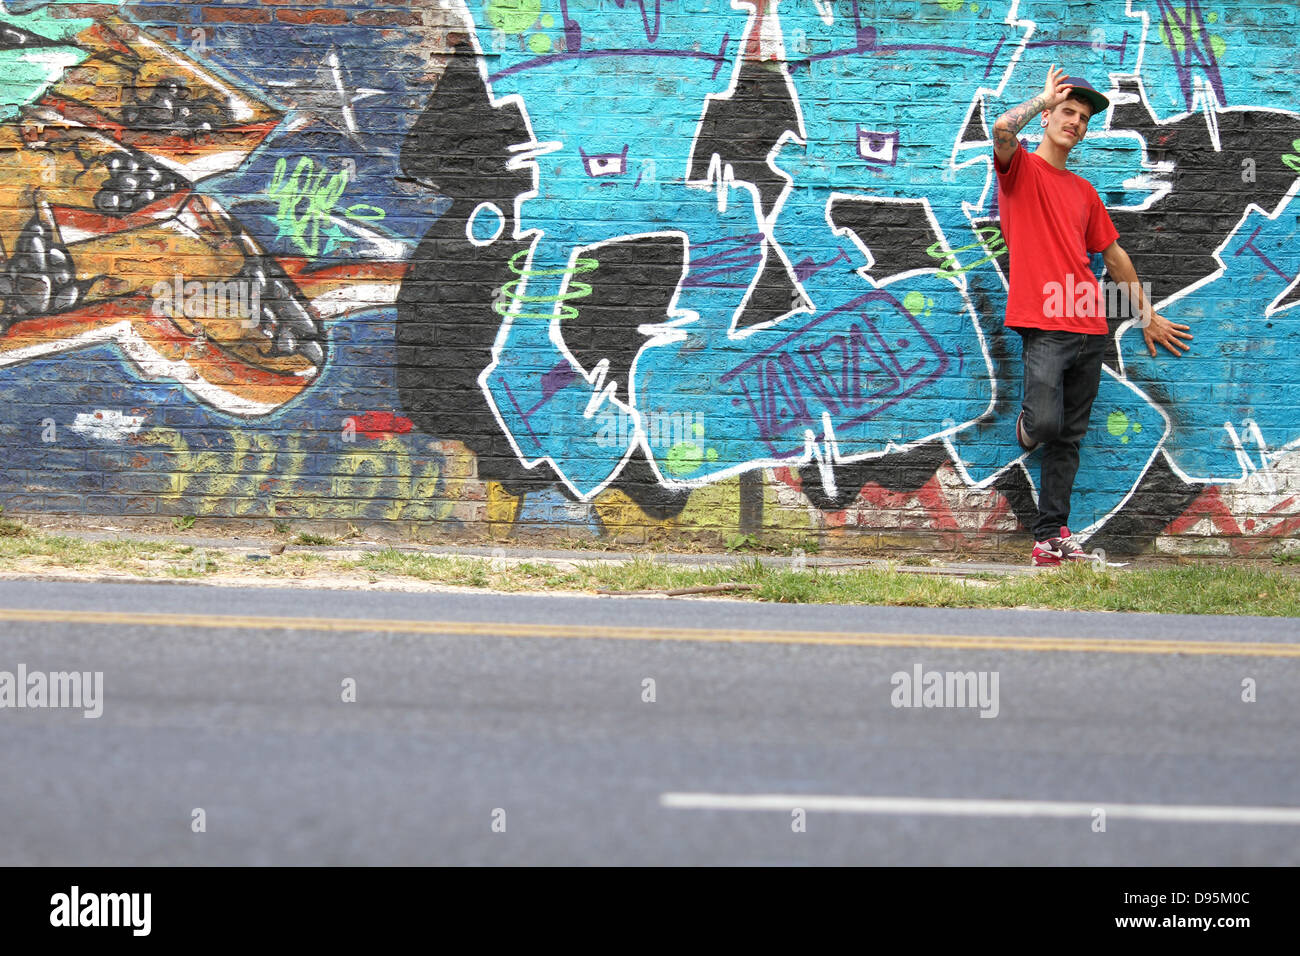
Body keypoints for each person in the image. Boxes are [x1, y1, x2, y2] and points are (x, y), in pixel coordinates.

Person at [992, 65, 1193, 567]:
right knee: (1043, 424)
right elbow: (1000, 129)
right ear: (1048, 118)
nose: (1076, 123)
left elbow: (1115, 256)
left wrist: (1146, 314)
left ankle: (1051, 536)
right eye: (1068, 112)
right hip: (1044, 324)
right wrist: (1040, 99)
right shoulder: (1020, 172)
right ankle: (1026, 428)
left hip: (1089, 324)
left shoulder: (1084, 191)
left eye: (1083, 118)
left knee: (1069, 439)